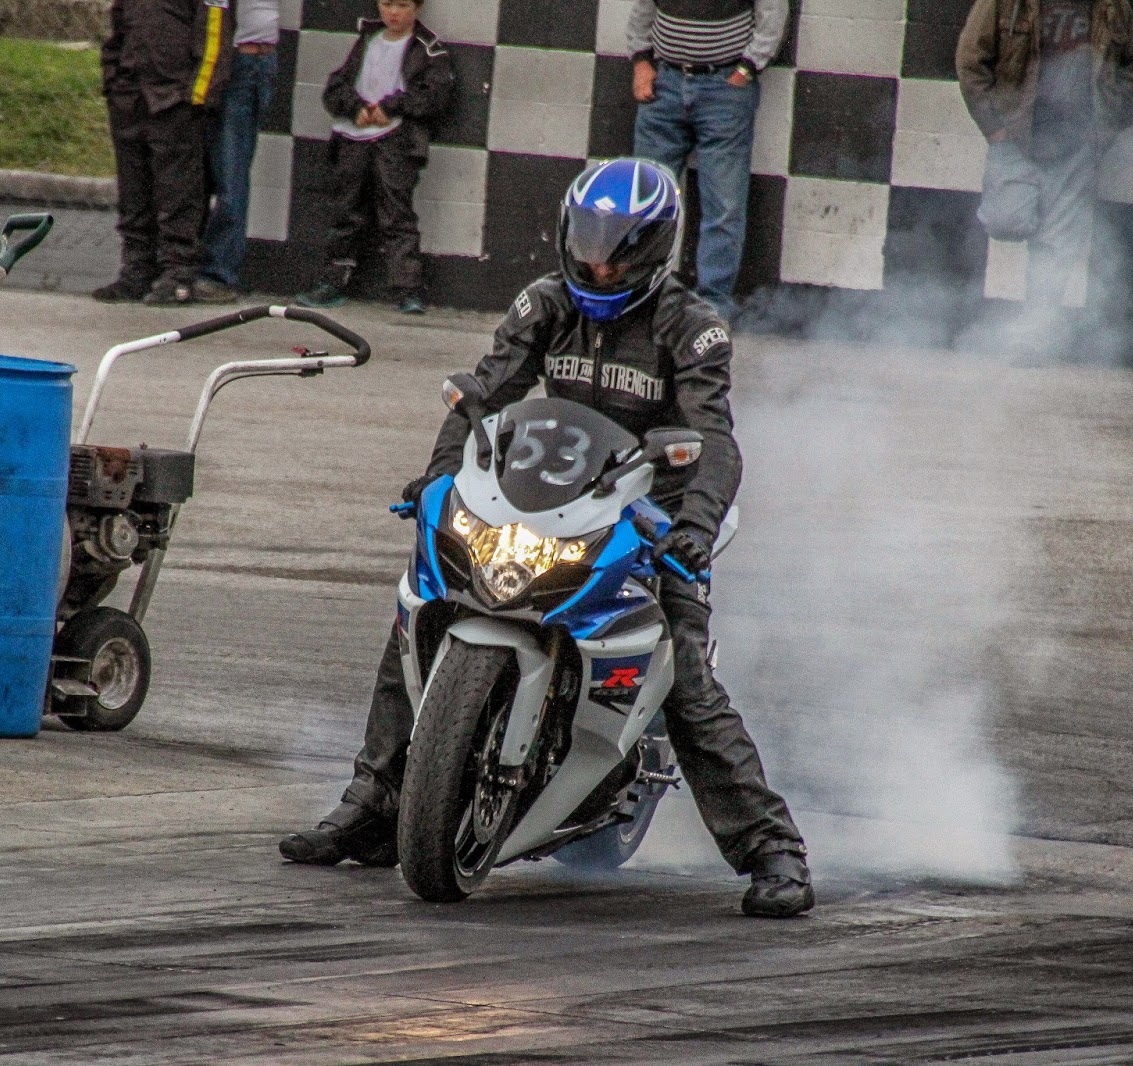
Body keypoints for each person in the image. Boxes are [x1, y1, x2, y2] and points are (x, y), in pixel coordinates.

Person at [281, 158, 815, 920]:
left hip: (649, 521)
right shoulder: (545, 302)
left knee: (684, 677)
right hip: (547, 505)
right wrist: (435, 480)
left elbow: (715, 440)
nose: (598, 262)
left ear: (655, 248)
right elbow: (485, 390)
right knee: (419, 606)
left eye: (617, 250)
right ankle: (374, 801)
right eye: (588, 243)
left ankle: (774, 850)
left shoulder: (691, 328)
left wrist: (694, 527)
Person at [958, 0, 1133, 351]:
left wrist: (1105, 131)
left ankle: (1035, 335)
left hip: (1077, 144)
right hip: (1016, 137)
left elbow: (1132, 65)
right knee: (1005, 220)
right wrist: (995, 131)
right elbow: (971, 61)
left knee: (1056, 247)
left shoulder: (1113, 5)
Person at [627, 0, 787, 320]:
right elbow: (643, 8)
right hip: (665, 82)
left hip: (724, 86)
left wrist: (747, 68)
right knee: (645, 200)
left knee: (724, 205)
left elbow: (772, 12)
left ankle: (711, 311)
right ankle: (641, 301)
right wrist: (641, 62)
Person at [294, 0, 454, 316]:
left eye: (402, 5)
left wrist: (392, 108)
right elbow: (334, 87)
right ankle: (333, 282)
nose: (393, 12)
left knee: (396, 213)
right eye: (386, 3)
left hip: (397, 141)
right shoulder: (366, 38)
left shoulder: (429, 48)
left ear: (417, 8)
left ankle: (408, 290)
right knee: (345, 210)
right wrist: (355, 108)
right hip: (353, 137)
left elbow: (436, 96)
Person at [93, 0, 233, 306]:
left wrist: (195, 98)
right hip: (131, 99)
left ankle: (178, 275)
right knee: (133, 193)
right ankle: (136, 272)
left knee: (178, 192)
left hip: (175, 101)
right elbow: (116, 32)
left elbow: (214, 39)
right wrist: (113, 83)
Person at [190, 0, 278, 304]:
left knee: (232, 173)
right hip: (228, 57)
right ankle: (205, 267)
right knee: (219, 172)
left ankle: (218, 270)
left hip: (250, 58)